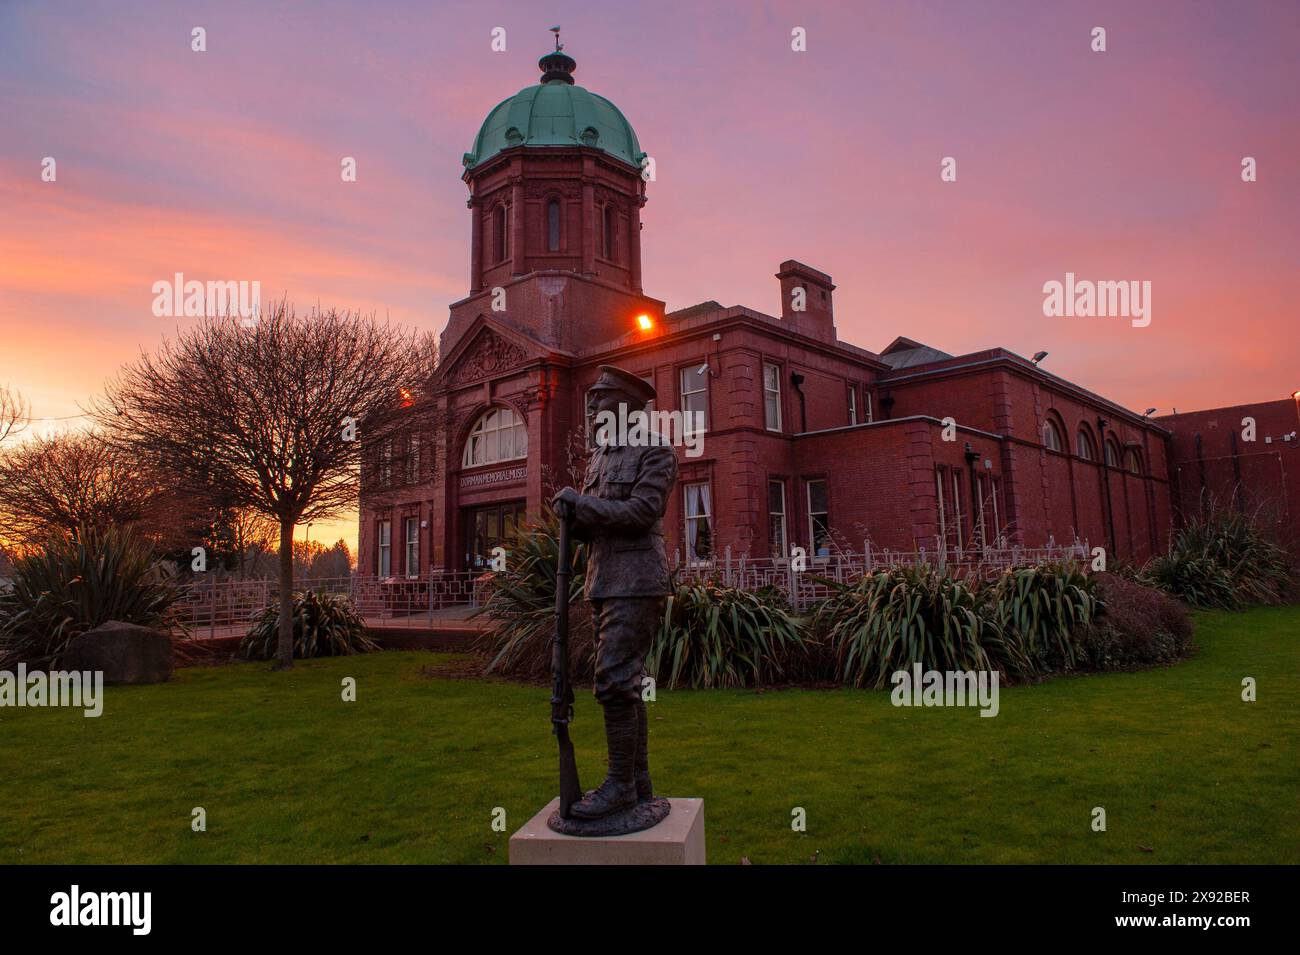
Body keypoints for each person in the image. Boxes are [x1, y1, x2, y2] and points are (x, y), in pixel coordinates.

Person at [551, 365, 677, 819]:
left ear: (624, 405)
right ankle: (638, 783)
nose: (590, 407)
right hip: (604, 581)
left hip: (638, 580)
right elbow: (596, 524)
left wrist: (583, 505)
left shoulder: (654, 450)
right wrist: (572, 514)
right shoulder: (601, 456)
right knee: (623, 682)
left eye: (598, 399)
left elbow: (643, 511)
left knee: (612, 681)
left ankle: (620, 785)